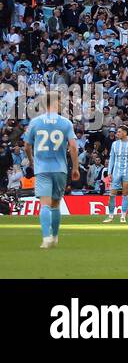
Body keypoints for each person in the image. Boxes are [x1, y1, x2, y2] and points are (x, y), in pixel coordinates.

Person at [22, 92, 79, 249]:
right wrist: (75, 167)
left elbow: (27, 146)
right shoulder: (66, 123)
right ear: (55, 103)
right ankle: (54, 236)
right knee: (55, 204)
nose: (61, 105)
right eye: (60, 102)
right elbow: (73, 147)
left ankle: (46, 237)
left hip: (42, 169)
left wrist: (32, 160)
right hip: (60, 168)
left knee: (45, 205)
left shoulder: (35, 122)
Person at [104, 125, 128, 223]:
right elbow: (112, 159)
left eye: (119, 132)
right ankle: (110, 216)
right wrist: (109, 172)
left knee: (125, 194)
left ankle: (123, 216)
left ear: (125, 133)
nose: (117, 134)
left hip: (127, 172)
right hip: (116, 172)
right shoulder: (115, 144)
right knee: (112, 194)